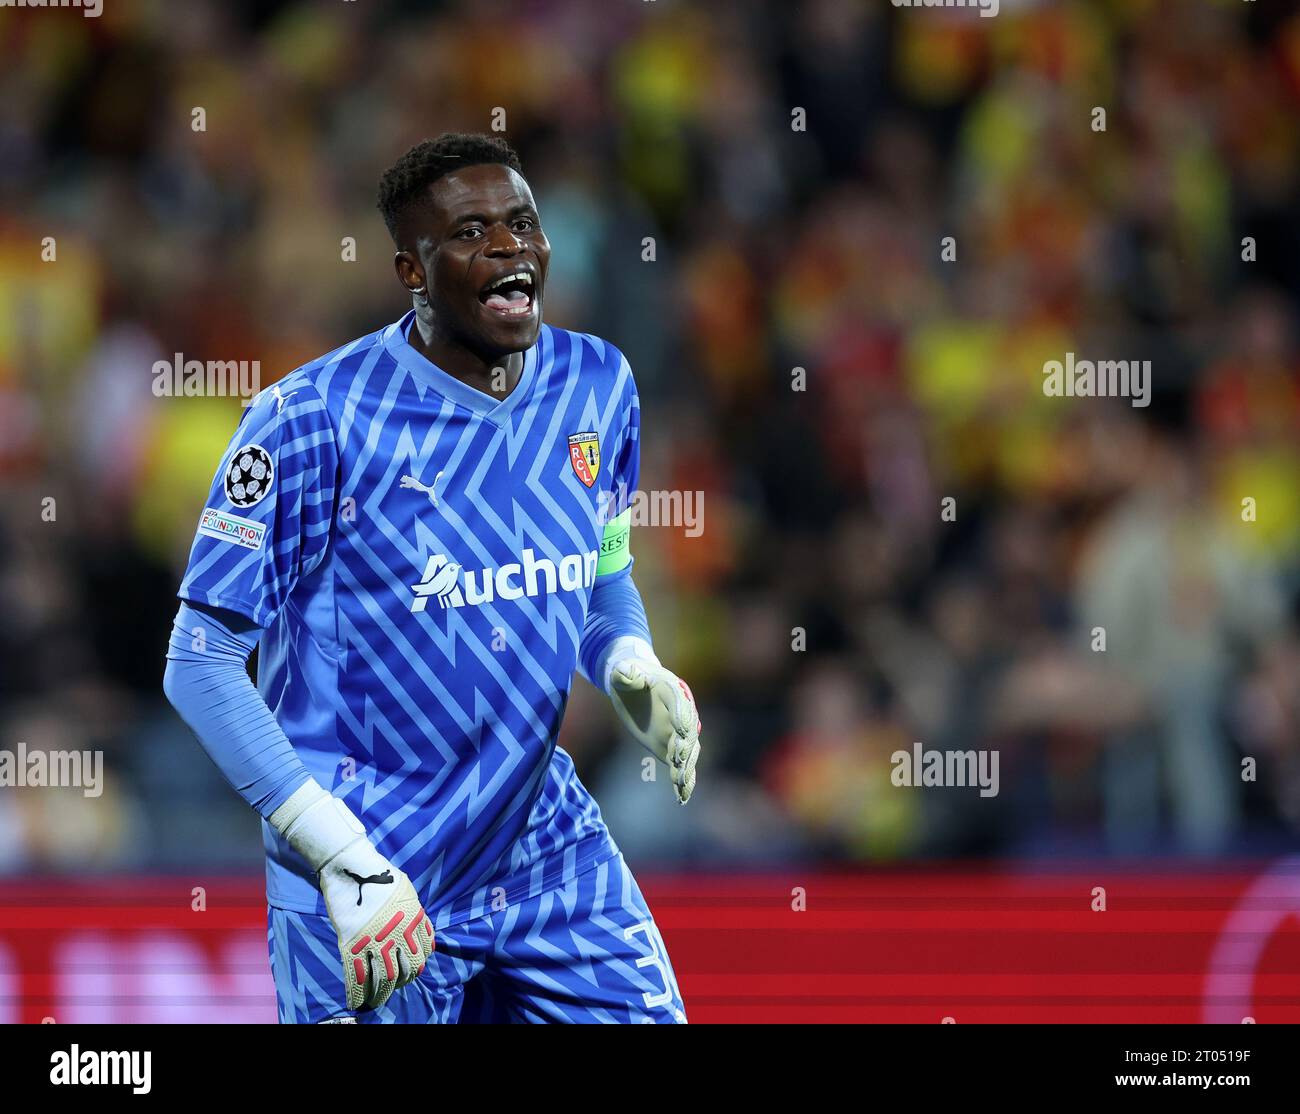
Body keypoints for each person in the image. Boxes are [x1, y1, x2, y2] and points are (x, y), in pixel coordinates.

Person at [163, 133, 700, 1024]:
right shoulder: (310, 421)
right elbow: (202, 659)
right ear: (412, 270)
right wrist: (334, 852)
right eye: (471, 232)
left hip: (543, 846)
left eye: (522, 223)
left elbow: (604, 569)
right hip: (376, 870)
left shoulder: (596, 384)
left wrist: (626, 661)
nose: (508, 248)